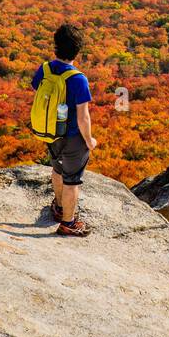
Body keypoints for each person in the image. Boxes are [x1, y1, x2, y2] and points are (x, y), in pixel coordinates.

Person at [31, 24, 96, 236]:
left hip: (51, 132)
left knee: (57, 169)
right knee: (72, 180)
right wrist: (89, 140)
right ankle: (68, 223)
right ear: (77, 50)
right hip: (73, 137)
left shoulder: (45, 69)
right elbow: (83, 117)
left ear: (56, 46)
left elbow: (38, 91)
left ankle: (59, 208)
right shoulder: (78, 79)